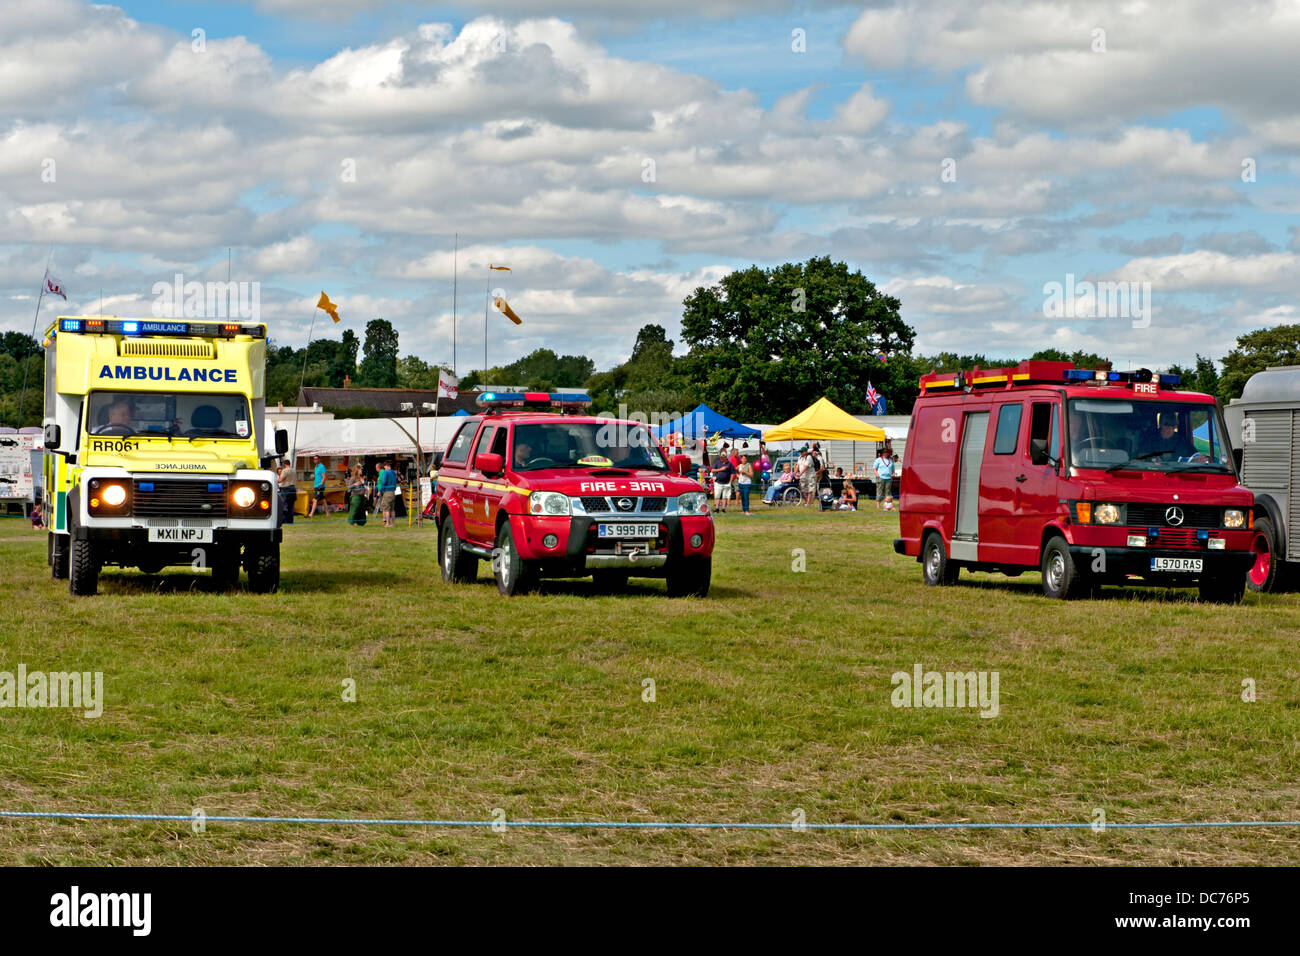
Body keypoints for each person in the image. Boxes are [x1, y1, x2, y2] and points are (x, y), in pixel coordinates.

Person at [375, 460, 398, 528]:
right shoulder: (393, 472)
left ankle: (387, 523)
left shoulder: (386, 472)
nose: (384, 468)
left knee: (386, 508)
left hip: (387, 492)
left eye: (384, 466)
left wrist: (380, 490)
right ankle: (393, 523)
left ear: (387, 466)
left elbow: (384, 482)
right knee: (392, 509)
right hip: (393, 492)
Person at [276, 458, 296, 525]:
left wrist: (274, 480)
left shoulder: (285, 471)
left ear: (284, 464)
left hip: (286, 489)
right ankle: (291, 521)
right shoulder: (293, 470)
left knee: (284, 505)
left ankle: (284, 520)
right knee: (291, 506)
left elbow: (280, 480)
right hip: (293, 488)